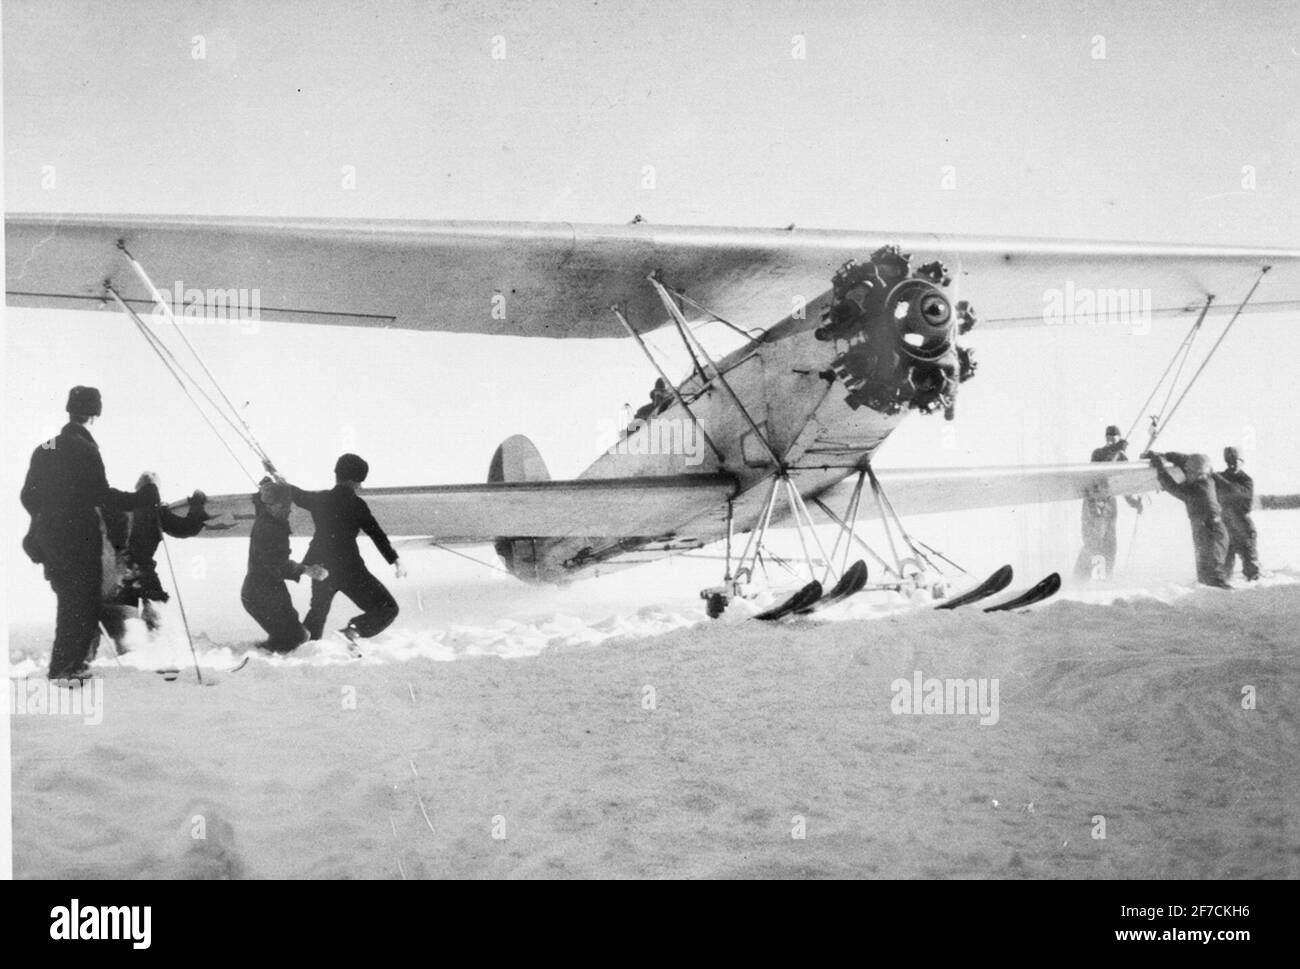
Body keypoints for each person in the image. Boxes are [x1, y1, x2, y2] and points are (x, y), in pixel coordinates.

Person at [20, 386, 160, 680]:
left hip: (50, 543)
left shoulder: (46, 446)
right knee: (82, 606)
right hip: (79, 542)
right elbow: (100, 494)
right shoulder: (85, 448)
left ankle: (66, 668)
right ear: (94, 415)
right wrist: (142, 498)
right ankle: (68, 670)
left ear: (69, 410)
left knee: (70, 603)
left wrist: (44, 521)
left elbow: (27, 496)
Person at [290, 453, 404, 646]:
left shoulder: (321, 498)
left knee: (318, 612)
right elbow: (377, 534)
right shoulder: (357, 505)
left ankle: (302, 647)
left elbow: (296, 494)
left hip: (320, 566)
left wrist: (278, 479)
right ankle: (354, 630)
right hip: (350, 569)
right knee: (388, 608)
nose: (360, 486)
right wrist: (395, 560)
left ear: (336, 474)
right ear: (355, 481)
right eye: (360, 482)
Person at [104, 473, 210, 631]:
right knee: (154, 618)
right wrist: (197, 505)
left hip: (119, 572)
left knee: (124, 624)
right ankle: (154, 647)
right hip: (144, 570)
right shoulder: (158, 511)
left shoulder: (123, 506)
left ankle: (126, 649)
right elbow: (185, 528)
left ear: (138, 487)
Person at [241, 478, 327, 652]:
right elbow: (277, 565)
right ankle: (262, 663)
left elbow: (260, 500)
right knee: (296, 637)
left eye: (288, 505)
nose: (288, 510)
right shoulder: (270, 529)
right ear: (271, 506)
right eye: (283, 506)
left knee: (295, 636)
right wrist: (306, 570)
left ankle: (266, 653)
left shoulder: (267, 515)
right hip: (261, 597)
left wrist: (267, 482)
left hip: (266, 592)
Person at [1148, 451, 1230, 588]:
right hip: (1207, 531)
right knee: (1204, 576)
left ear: (1195, 473)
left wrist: (1159, 465)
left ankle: (1229, 599)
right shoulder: (1208, 479)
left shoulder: (1197, 491)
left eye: (1190, 472)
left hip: (1211, 533)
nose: (1187, 474)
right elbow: (1186, 460)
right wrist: (1165, 455)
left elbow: (1170, 486)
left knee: (1214, 576)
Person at [1074, 425, 1142, 580]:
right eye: (1109, 438)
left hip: (1110, 501)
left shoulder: (1123, 459)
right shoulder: (1098, 453)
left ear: (1119, 438)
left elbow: (1122, 484)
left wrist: (1133, 502)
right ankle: (1080, 578)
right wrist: (1117, 449)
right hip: (1094, 500)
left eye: (1114, 438)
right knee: (1093, 541)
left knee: (1110, 544)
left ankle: (1105, 578)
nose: (1111, 441)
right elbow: (1103, 470)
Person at [1216, 446, 1259, 581]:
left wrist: (1215, 477)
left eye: (1236, 460)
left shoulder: (1247, 481)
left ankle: (1257, 593)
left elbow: (1233, 490)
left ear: (1242, 461)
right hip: (1226, 528)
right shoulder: (1218, 477)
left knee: (1251, 567)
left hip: (1243, 528)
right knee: (1224, 570)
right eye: (1229, 461)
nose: (1233, 464)